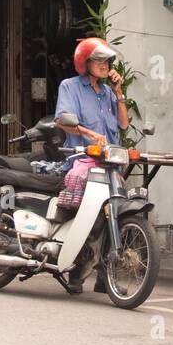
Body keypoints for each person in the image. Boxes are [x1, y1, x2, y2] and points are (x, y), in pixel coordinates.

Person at [54, 37, 129, 294]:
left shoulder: (108, 92)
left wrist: (119, 92)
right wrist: (89, 134)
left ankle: (103, 276)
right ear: (84, 62)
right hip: (82, 162)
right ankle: (78, 269)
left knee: (116, 216)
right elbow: (62, 121)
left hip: (110, 166)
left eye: (107, 61)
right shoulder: (70, 87)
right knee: (94, 219)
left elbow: (124, 125)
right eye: (99, 60)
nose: (105, 65)